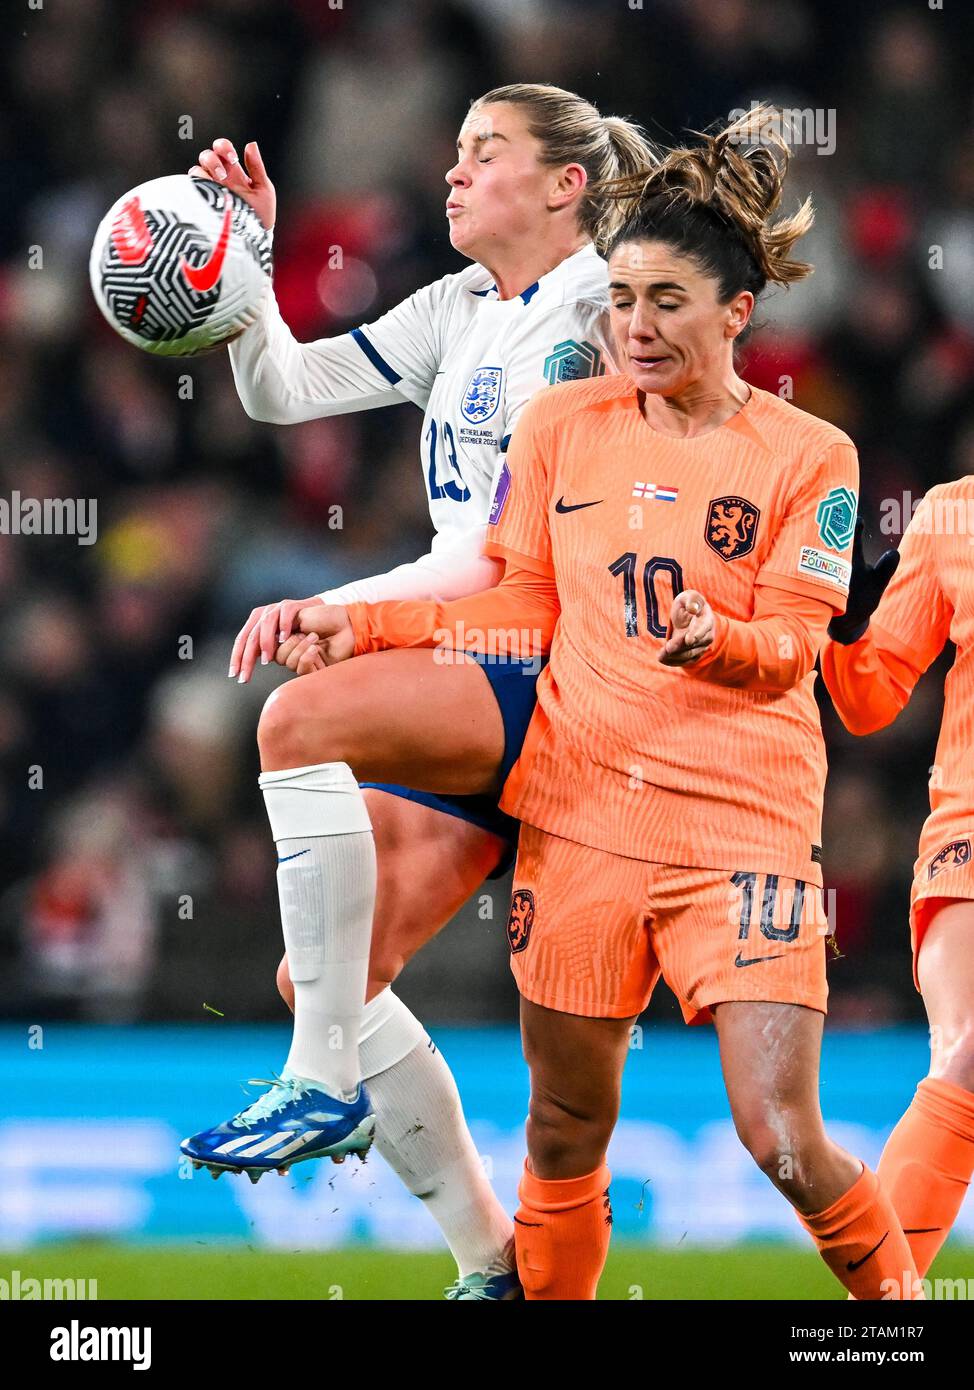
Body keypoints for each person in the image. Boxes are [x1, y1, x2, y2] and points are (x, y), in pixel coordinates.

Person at [276, 106, 923, 1301]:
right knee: (563, 1131)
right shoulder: (561, 423)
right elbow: (517, 602)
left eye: (666, 302)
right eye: (619, 299)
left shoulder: (807, 457)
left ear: (735, 313)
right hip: (575, 814)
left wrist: (712, 639)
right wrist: (356, 622)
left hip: (738, 823)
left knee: (776, 1133)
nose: (633, 326)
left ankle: (895, 1317)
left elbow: (792, 646)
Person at [179, 85, 655, 1300]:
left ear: (563, 187)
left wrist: (352, 610)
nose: (451, 174)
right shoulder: (460, 306)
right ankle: (492, 1266)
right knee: (330, 972)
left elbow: (508, 553)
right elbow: (277, 391)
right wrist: (246, 266)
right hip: (477, 650)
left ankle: (319, 1082)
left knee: (296, 717)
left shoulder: (594, 316)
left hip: (553, 659)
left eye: (483, 153)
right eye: (450, 151)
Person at [821, 502, 974, 1284]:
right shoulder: (952, 513)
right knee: (966, 1052)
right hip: (971, 826)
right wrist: (848, 631)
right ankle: (881, 1318)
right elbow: (869, 698)